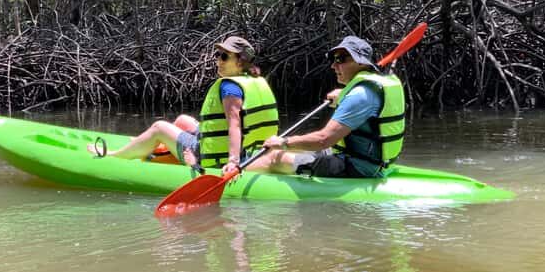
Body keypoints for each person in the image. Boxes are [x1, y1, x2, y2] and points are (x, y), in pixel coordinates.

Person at [90, 36, 279, 173]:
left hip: (215, 158)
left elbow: (234, 126)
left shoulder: (230, 88)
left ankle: (115, 155)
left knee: (159, 127)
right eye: (218, 54)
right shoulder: (251, 79)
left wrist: (233, 161)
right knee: (183, 120)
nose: (218, 60)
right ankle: (149, 146)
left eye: (224, 57)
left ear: (240, 62)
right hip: (252, 151)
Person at [231, 36, 405, 178]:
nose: (333, 65)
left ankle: (235, 176)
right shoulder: (369, 88)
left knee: (276, 157)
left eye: (341, 59)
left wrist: (283, 142)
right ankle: (245, 163)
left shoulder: (359, 96)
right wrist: (343, 95)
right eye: (333, 59)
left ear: (360, 63)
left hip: (358, 167)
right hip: (366, 160)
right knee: (286, 149)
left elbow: (323, 139)